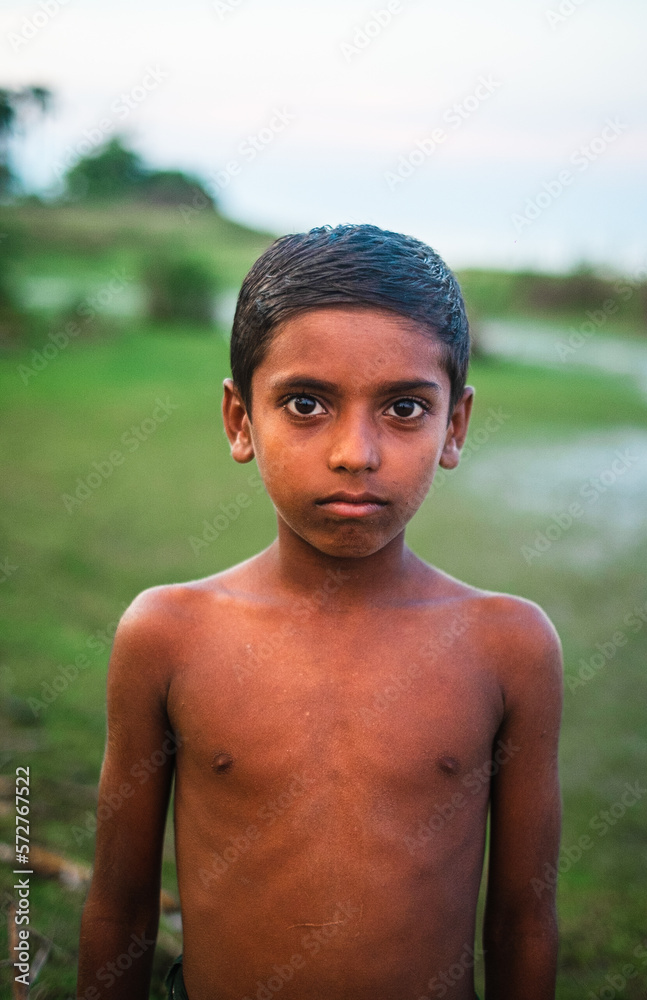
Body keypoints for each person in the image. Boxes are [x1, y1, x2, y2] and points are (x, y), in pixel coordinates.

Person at [76, 224, 562, 1000]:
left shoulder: (508, 646)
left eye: (404, 407)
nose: (354, 453)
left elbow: (522, 924)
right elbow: (118, 908)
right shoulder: (168, 634)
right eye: (306, 403)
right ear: (240, 420)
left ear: (455, 427)